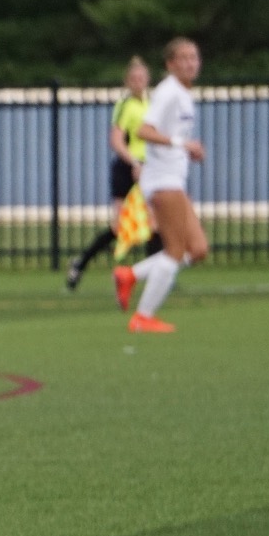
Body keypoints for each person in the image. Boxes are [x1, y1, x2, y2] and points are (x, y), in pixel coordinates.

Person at [114, 38, 208, 332]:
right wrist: (182, 144)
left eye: (194, 57)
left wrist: (183, 149)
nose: (191, 63)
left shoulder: (182, 93)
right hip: (162, 180)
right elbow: (143, 130)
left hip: (173, 179)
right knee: (175, 251)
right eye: (183, 58)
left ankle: (130, 275)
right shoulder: (169, 92)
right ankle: (143, 317)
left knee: (199, 249)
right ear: (170, 64)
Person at [65, 57, 163, 290]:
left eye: (142, 77)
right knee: (119, 227)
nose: (139, 82)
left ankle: (154, 277)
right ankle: (80, 263)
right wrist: (133, 162)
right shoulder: (125, 105)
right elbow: (116, 141)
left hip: (148, 168)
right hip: (127, 169)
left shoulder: (152, 104)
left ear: (148, 80)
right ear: (127, 82)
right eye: (134, 78)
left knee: (154, 223)